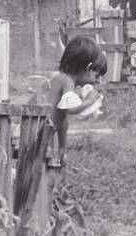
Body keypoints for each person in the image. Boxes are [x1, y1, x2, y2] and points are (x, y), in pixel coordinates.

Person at [44, 35, 107, 167]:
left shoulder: (65, 82)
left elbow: (63, 122)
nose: (97, 81)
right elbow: (71, 109)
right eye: (97, 76)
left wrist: (62, 147)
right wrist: (89, 101)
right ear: (87, 68)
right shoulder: (66, 81)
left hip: (44, 134)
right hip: (38, 134)